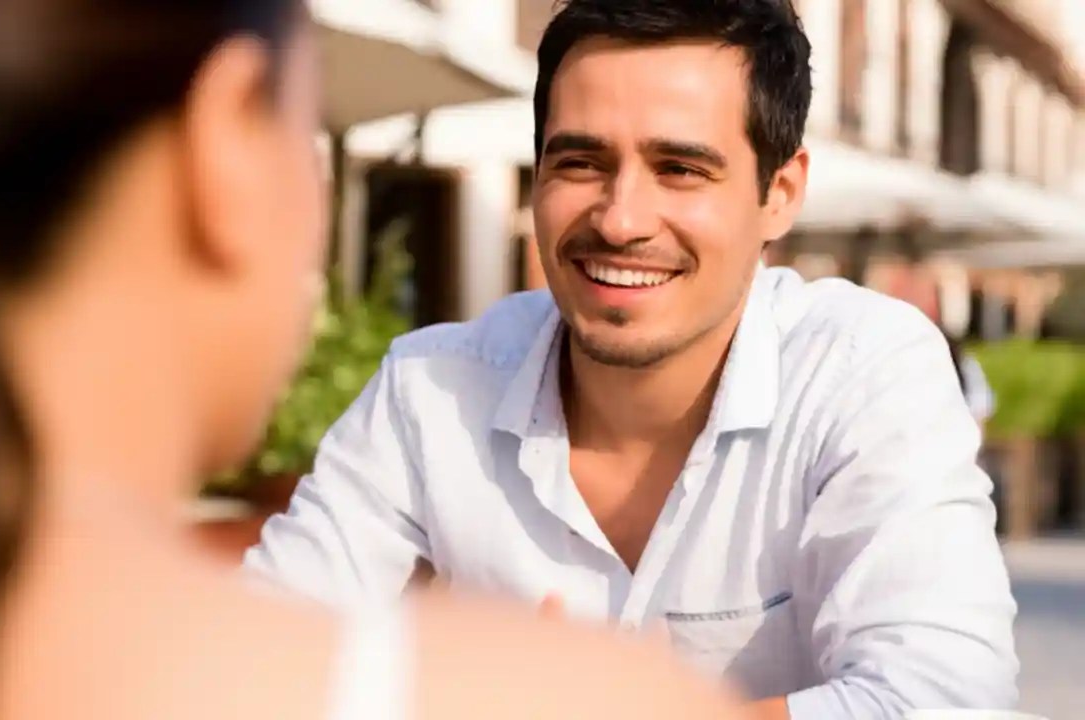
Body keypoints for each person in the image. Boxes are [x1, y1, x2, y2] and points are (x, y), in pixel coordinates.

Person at [0, 0, 753, 719]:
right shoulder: (553, 698)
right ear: (225, 140)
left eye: (680, 167)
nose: (622, 216)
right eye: (309, 119)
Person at [245, 1, 1020, 718]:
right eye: (580, 162)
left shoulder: (860, 373)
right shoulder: (430, 390)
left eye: (680, 169)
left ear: (779, 193)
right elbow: (250, 666)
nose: (620, 219)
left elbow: (949, 699)